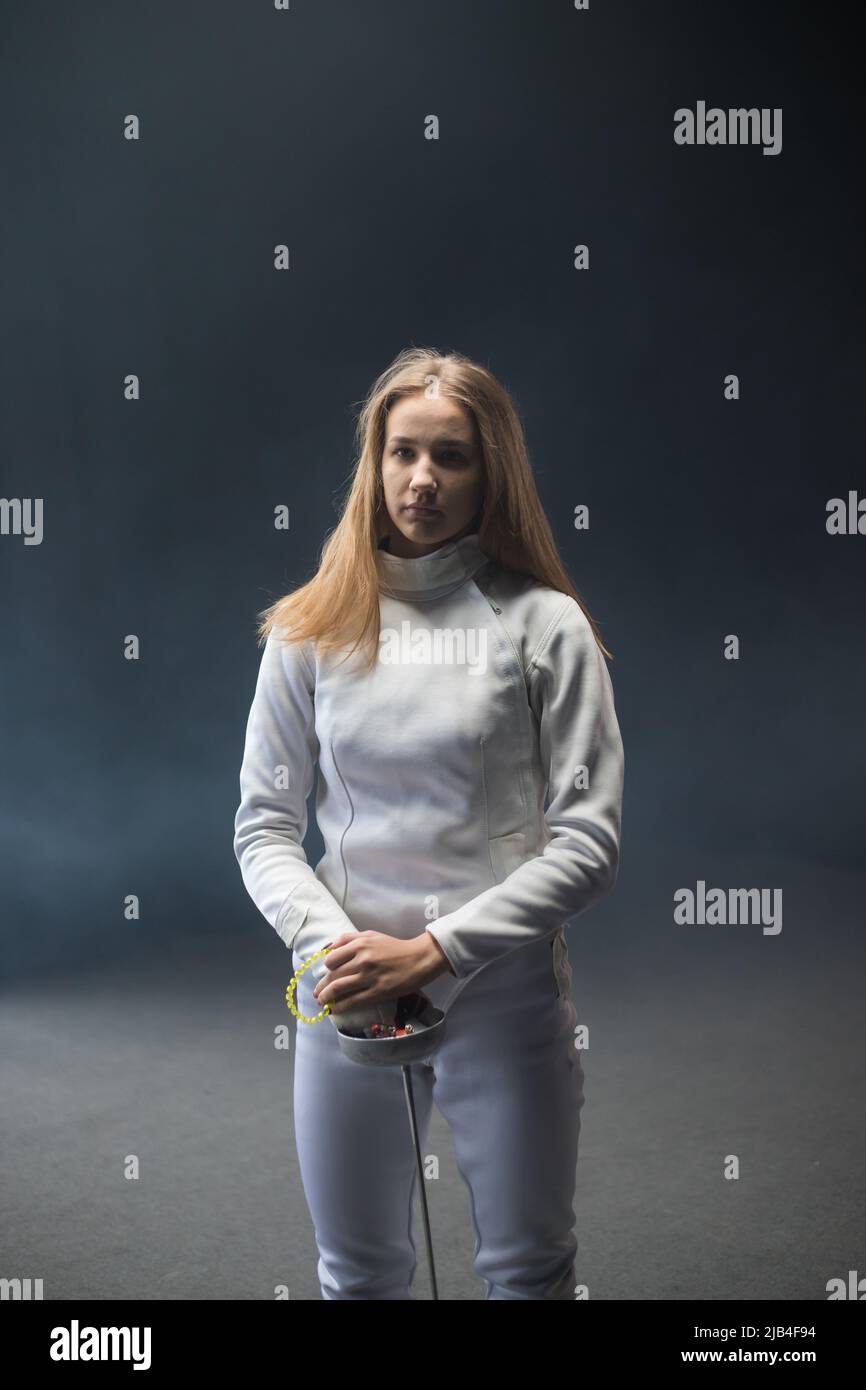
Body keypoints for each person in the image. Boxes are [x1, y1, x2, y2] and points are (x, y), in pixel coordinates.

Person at [233, 346, 625, 1299]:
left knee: (530, 1272)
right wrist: (344, 955)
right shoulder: (309, 628)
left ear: (492, 471)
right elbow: (264, 827)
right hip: (347, 992)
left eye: (451, 457)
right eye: (403, 453)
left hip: (503, 995)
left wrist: (438, 952)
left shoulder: (545, 626)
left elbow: (588, 843)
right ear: (374, 464)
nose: (421, 480)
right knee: (357, 1275)